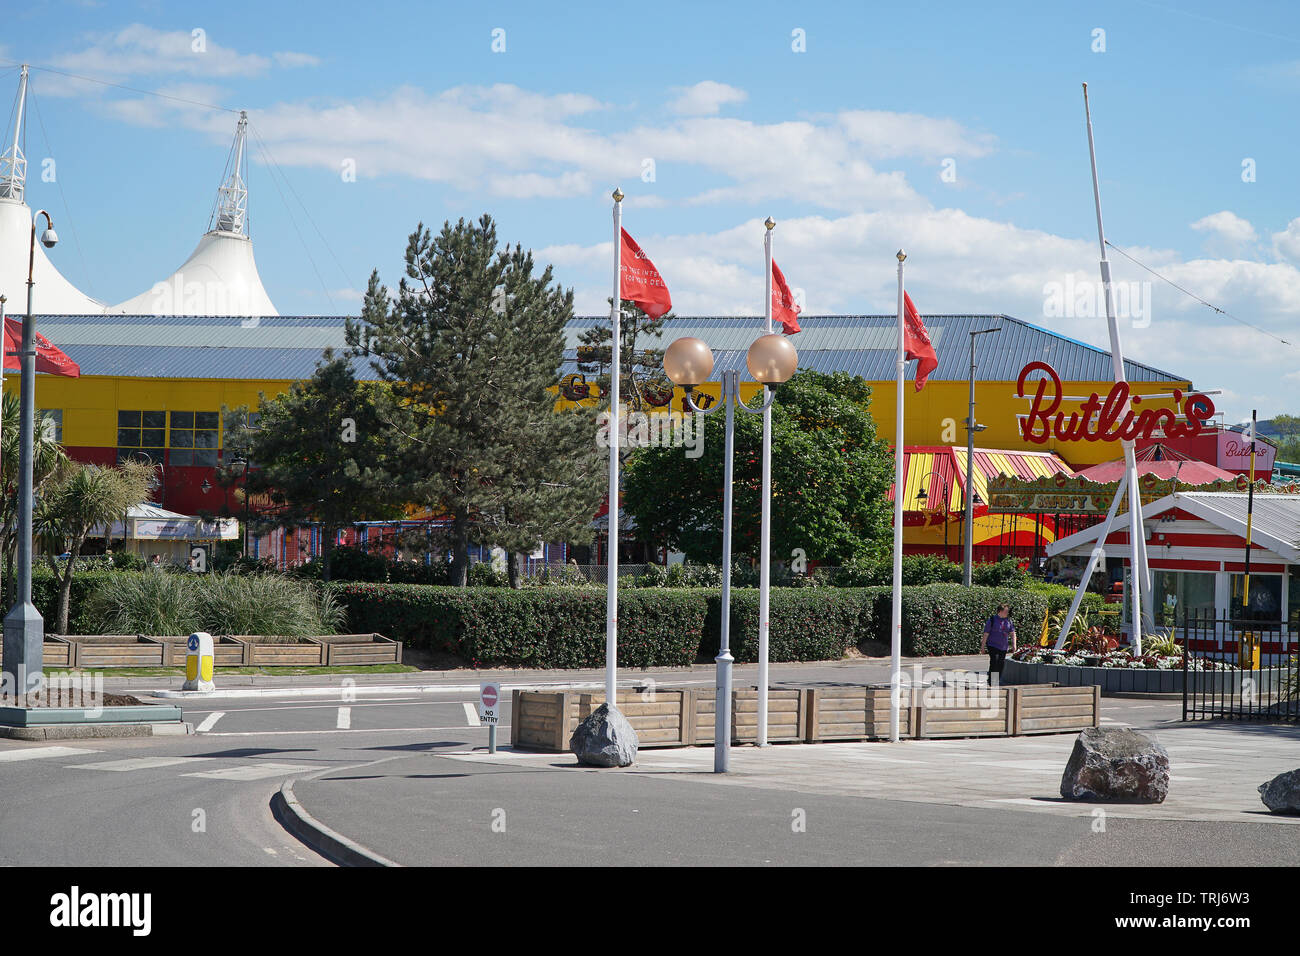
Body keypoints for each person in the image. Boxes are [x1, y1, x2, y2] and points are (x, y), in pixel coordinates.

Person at [981, 603, 1017, 686]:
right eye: (1006, 611)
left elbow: (1012, 633)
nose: (1007, 613)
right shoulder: (992, 620)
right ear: (1000, 611)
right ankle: (992, 681)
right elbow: (986, 634)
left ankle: (996, 680)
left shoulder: (1009, 621)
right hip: (992, 645)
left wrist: (1014, 644)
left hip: (1003, 646)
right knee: (994, 661)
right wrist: (982, 647)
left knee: (1001, 664)